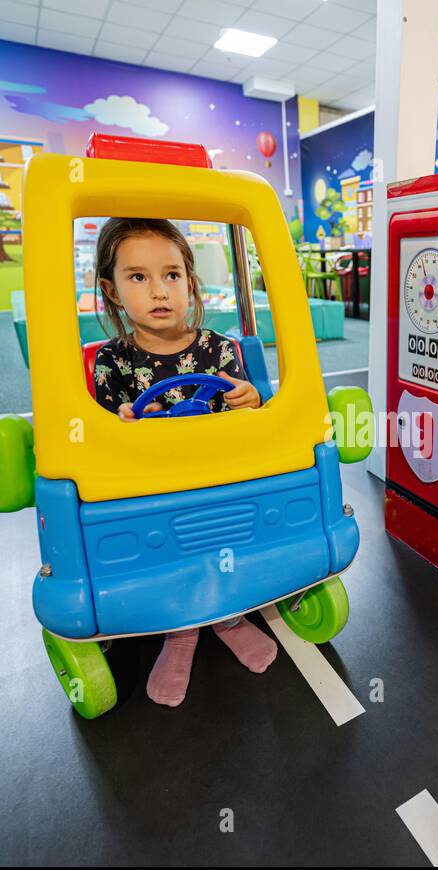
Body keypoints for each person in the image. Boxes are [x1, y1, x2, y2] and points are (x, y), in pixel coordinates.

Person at [92, 216, 276, 706]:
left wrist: (251, 399)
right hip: (152, 490)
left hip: (218, 481)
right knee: (171, 552)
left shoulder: (219, 349)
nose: (159, 290)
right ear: (112, 291)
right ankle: (181, 633)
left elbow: (247, 415)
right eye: (138, 277)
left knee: (226, 545)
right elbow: (103, 438)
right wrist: (127, 424)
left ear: (190, 283)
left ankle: (230, 618)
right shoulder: (113, 362)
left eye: (171, 275)